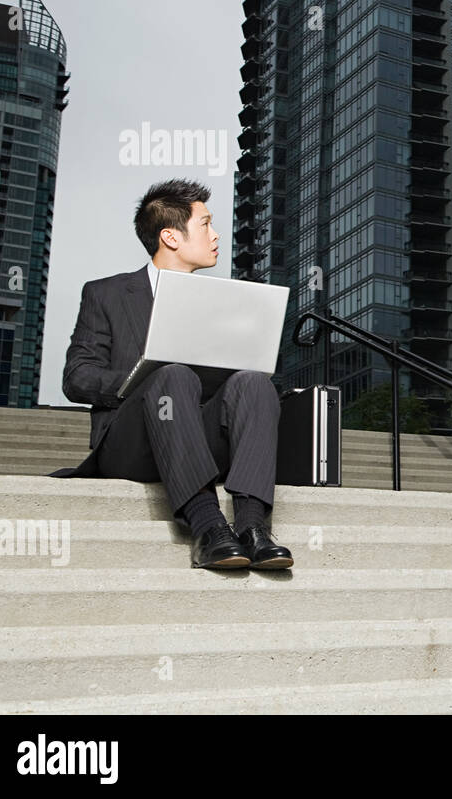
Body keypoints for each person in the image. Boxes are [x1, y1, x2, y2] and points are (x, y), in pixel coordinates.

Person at [50, 178, 292, 571]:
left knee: (254, 382)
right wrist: (144, 378)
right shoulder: (106, 294)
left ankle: (252, 528)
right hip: (135, 442)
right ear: (171, 237)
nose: (216, 236)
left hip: (200, 436)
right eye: (206, 224)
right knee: (172, 376)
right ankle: (209, 526)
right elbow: (77, 377)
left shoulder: (225, 305)